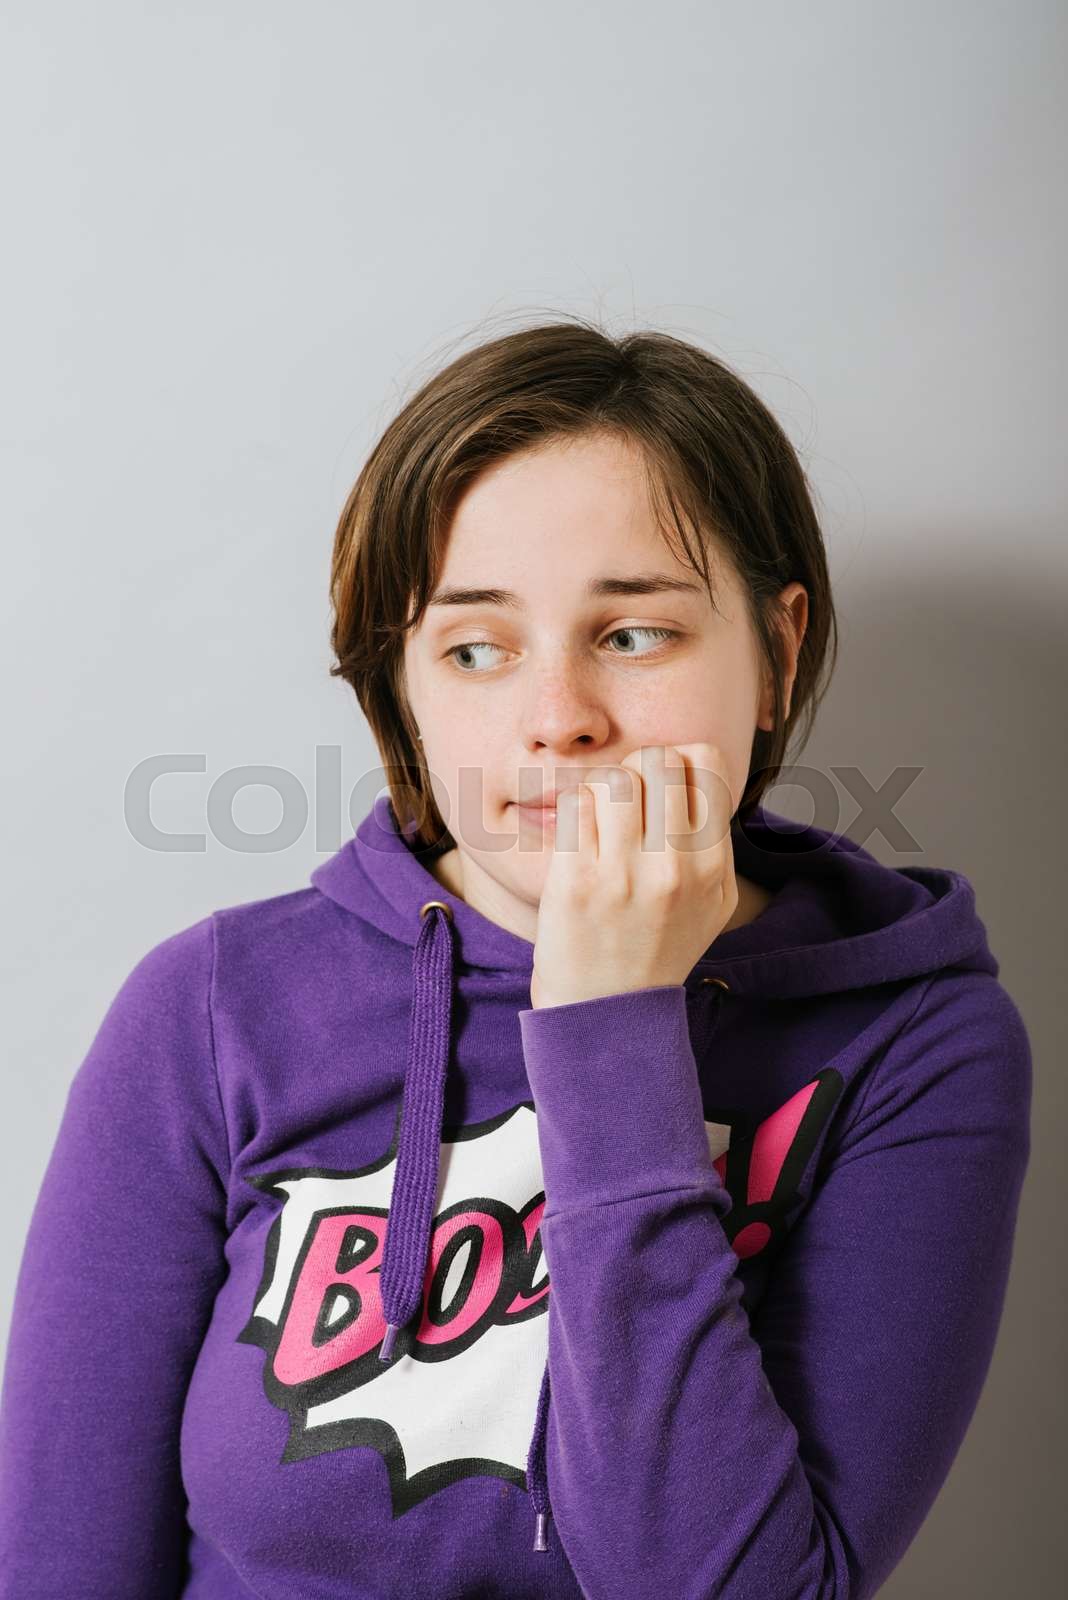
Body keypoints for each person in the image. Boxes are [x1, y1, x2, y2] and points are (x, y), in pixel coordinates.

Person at [0, 318, 1032, 1599]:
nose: (559, 721)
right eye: (477, 650)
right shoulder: (211, 1011)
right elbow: (58, 1567)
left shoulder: (914, 1041)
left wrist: (610, 1029)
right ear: (405, 690)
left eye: (635, 634)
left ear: (775, 651)